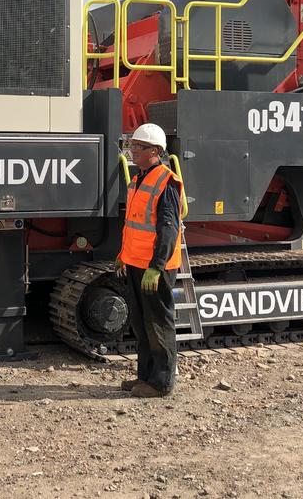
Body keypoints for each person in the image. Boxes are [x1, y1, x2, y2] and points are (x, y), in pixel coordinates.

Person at [115, 122, 183, 398]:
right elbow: (134, 224)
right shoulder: (138, 179)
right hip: (135, 263)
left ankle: (161, 383)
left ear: (155, 151)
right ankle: (145, 377)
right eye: (131, 145)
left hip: (154, 267)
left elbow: (169, 229)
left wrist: (156, 267)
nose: (132, 151)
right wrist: (123, 255)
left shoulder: (166, 181)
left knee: (157, 324)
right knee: (142, 323)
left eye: (138, 146)